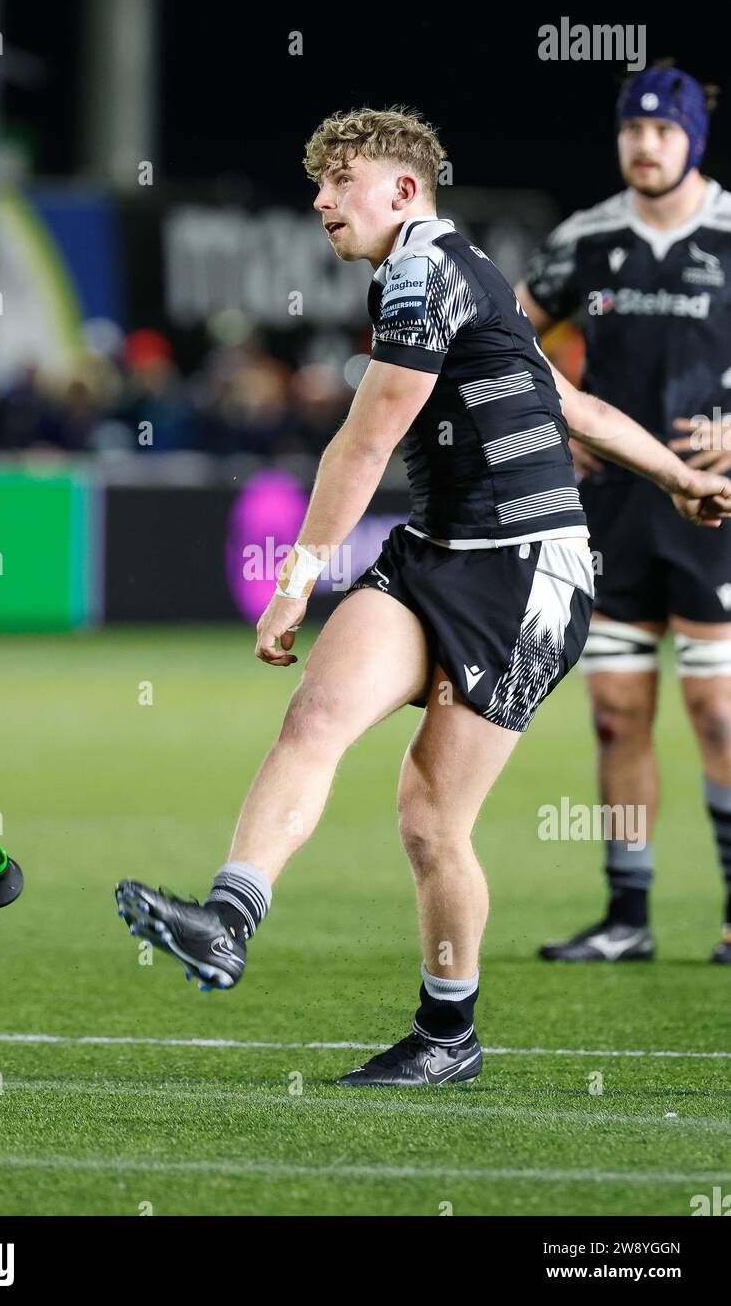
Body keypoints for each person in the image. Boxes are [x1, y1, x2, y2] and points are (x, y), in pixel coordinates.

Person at [116, 107, 731, 1087]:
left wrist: (293, 584)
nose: (320, 201)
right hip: (435, 549)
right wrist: (675, 474)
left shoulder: (425, 270)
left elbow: (362, 442)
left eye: (339, 181)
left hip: (528, 573)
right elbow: (572, 404)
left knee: (428, 818)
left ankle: (448, 1033)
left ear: (403, 191)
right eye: (318, 184)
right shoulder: (464, 276)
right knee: (317, 709)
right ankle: (228, 919)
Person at [517, 65, 731, 965]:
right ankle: (628, 915)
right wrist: (550, 415)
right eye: (631, 130)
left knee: (717, 713)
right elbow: (506, 332)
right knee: (614, 711)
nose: (646, 145)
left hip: (714, 508)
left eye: (664, 131)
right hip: (611, 510)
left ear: (693, 139)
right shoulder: (586, 239)